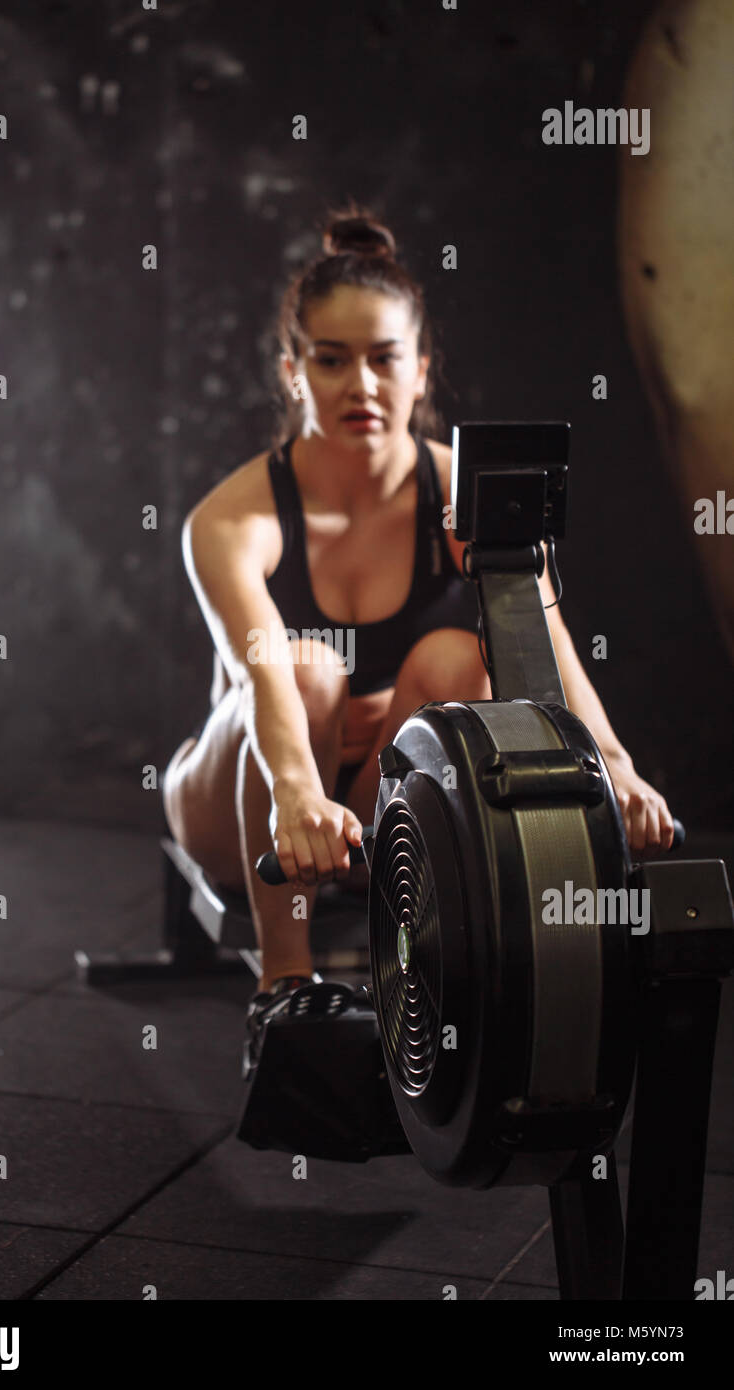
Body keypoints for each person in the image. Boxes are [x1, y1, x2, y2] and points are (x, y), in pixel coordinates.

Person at [162, 203, 675, 1046]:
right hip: (241, 803)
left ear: (421, 371)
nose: (360, 386)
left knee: (460, 658)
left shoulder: (465, 495)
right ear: (293, 372)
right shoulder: (233, 517)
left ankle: (412, 938)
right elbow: (261, 674)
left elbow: (546, 641)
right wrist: (296, 790)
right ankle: (283, 982)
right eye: (330, 361)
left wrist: (614, 769)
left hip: (369, 808)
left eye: (383, 360)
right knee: (308, 668)